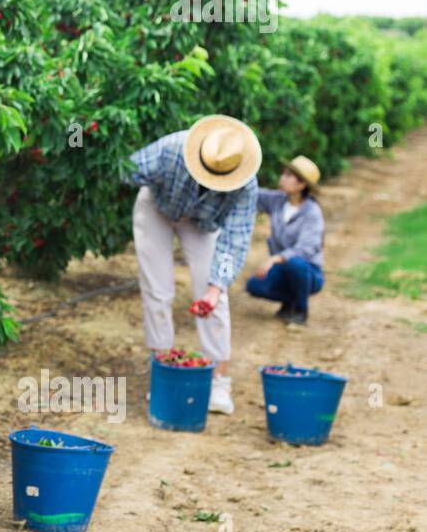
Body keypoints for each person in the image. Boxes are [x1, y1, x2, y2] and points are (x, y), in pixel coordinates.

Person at [125, 115, 261, 415]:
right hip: (157, 208)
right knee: (158, 292)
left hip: (201, 221)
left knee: (214, 297)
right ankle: (164, 377)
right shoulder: (173, 148)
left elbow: (235, 238)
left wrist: (216, 286)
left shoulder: (245, 184)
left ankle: (217, 380)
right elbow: (127, 169)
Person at [246, 156, 324, 326]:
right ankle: (291, 300)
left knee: (296, 263)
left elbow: (306, 249)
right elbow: (251, 193)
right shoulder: (277, 201)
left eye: (289, 176)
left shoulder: (312, 212)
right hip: (282, 269)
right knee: (254, 286)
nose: (282, 178)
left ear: (302, 185)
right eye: (284, 174)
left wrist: (274, 259)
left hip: (309, 273)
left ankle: (301, 310)